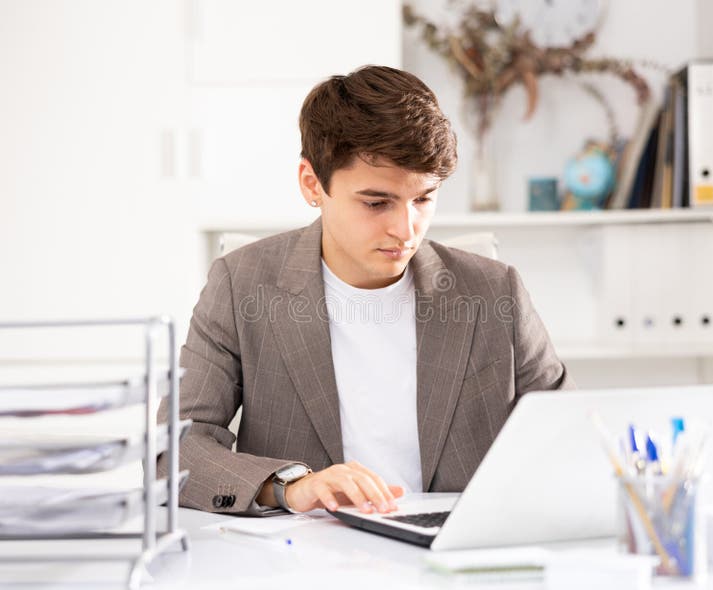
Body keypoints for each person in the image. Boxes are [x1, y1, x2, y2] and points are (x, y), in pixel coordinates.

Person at [157, 65, 573, 516]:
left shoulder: (494, 291)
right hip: (309, 559)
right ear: (312, 184)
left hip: (456, 554)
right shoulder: (242, 285)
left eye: (423, 199)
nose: (405, 229)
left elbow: (568, 437)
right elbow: (173, 451)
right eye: (377, 203)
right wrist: (291, 487)